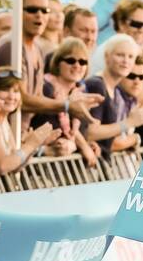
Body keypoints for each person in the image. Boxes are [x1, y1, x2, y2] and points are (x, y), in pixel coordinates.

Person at [0, 0, 102, 130]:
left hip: (22, 133)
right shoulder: (12, 47)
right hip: (3, 131)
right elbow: (22, 100)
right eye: (32, 10)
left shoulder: (36, 50)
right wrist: (67, 105)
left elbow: (38, 98)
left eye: (45, 11)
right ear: (18, 13)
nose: (39, 15)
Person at [0, 67, 61, 176]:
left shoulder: (3, 119)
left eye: (16, 91)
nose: (11, 96)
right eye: (5, 90)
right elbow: (2, 166)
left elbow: (14, 166)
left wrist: (35, 145)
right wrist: (31, 144)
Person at [31, 37, 102, 168]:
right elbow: (51, 129)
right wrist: (82, 146)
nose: (77, 65)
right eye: (70, 60)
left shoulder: (79, 92)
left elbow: (76, 132)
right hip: (40, 168)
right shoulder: (46, 88)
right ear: (57, 63)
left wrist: (87, 144)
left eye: (82, 62)